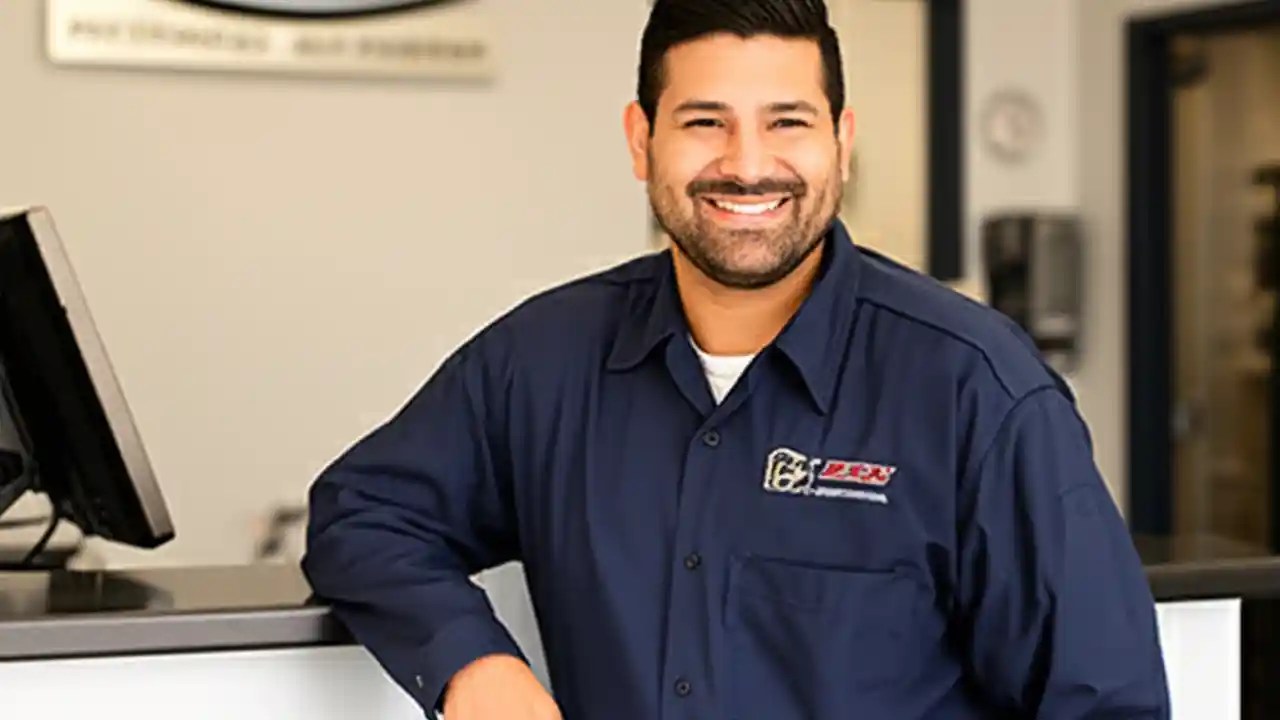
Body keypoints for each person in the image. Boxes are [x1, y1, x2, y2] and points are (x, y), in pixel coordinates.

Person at [301, 0, 1171, 717]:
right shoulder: (543, 362)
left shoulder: (974, 388)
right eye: (704, 122)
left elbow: (1102, 703)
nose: (747, 165)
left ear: (841, 138)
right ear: (642, 141)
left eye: (786, 121)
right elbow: (366, 514)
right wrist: (474, 669)